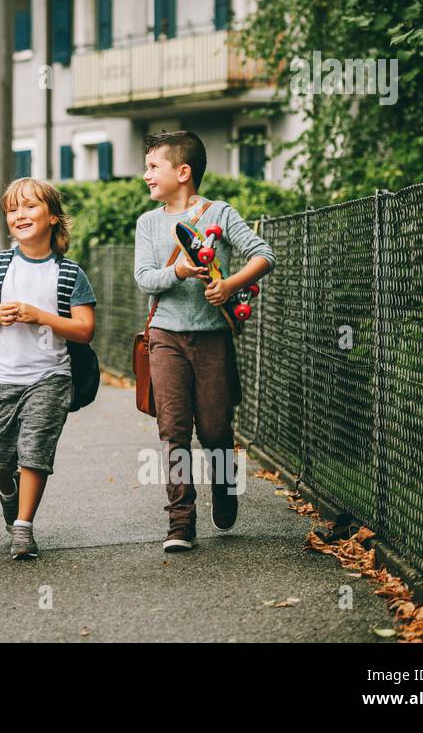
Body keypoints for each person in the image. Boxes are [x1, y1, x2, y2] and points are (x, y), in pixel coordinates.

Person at [134, 131, 275, 552]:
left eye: (153, 166)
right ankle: (180, 522)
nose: (146, 175)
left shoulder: (220, 214)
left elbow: (264, 255)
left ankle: (224, 484)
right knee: (174, 429)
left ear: (183, 171)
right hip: (165, 337)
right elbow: (144, 278)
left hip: (213, 337)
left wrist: (229, 285)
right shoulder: (148, 223)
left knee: (215, 429)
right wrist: (178, 273)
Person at [0, 178, 96, 559]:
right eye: (12, 210)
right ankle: (9, 494)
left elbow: (84, 329)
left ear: (53, 218)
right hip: (4, 378)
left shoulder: (70, 273)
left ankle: (23, 528)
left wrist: (41, 316)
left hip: (51, 376)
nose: (19, 215)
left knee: (34, 453)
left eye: (29, 207)